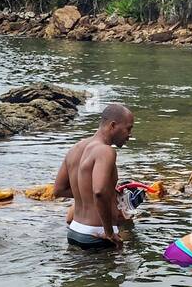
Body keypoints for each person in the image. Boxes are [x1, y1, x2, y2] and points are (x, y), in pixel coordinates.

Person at [52, 103, 134, 248]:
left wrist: (110, 193)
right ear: (113, 125)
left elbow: (58, 190)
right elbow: (99, 192)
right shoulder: (105, 151)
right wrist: (109, 233)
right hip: (98, 234)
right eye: (128, 128)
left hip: (75, 231)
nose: (130, 134)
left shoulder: (75, 149)